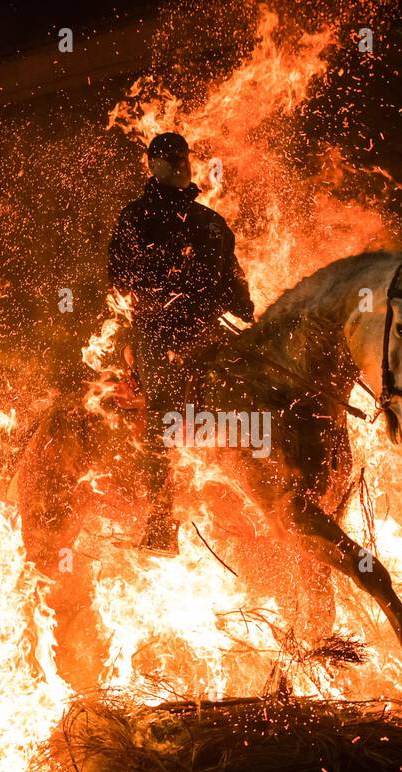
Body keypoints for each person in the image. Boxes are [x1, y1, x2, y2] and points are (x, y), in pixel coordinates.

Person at [108, 132, 254, 554]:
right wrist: (163, 298)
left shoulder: (211, 223)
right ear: (151, 165)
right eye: (168, 159)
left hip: (207, 330)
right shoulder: (134, 219)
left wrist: (246, 313)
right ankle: (159, 516)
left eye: (183, 158)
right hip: (157, 332)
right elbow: (119, 277)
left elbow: (234, 276)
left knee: (253, 390)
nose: (178, 165)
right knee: (166, 407)